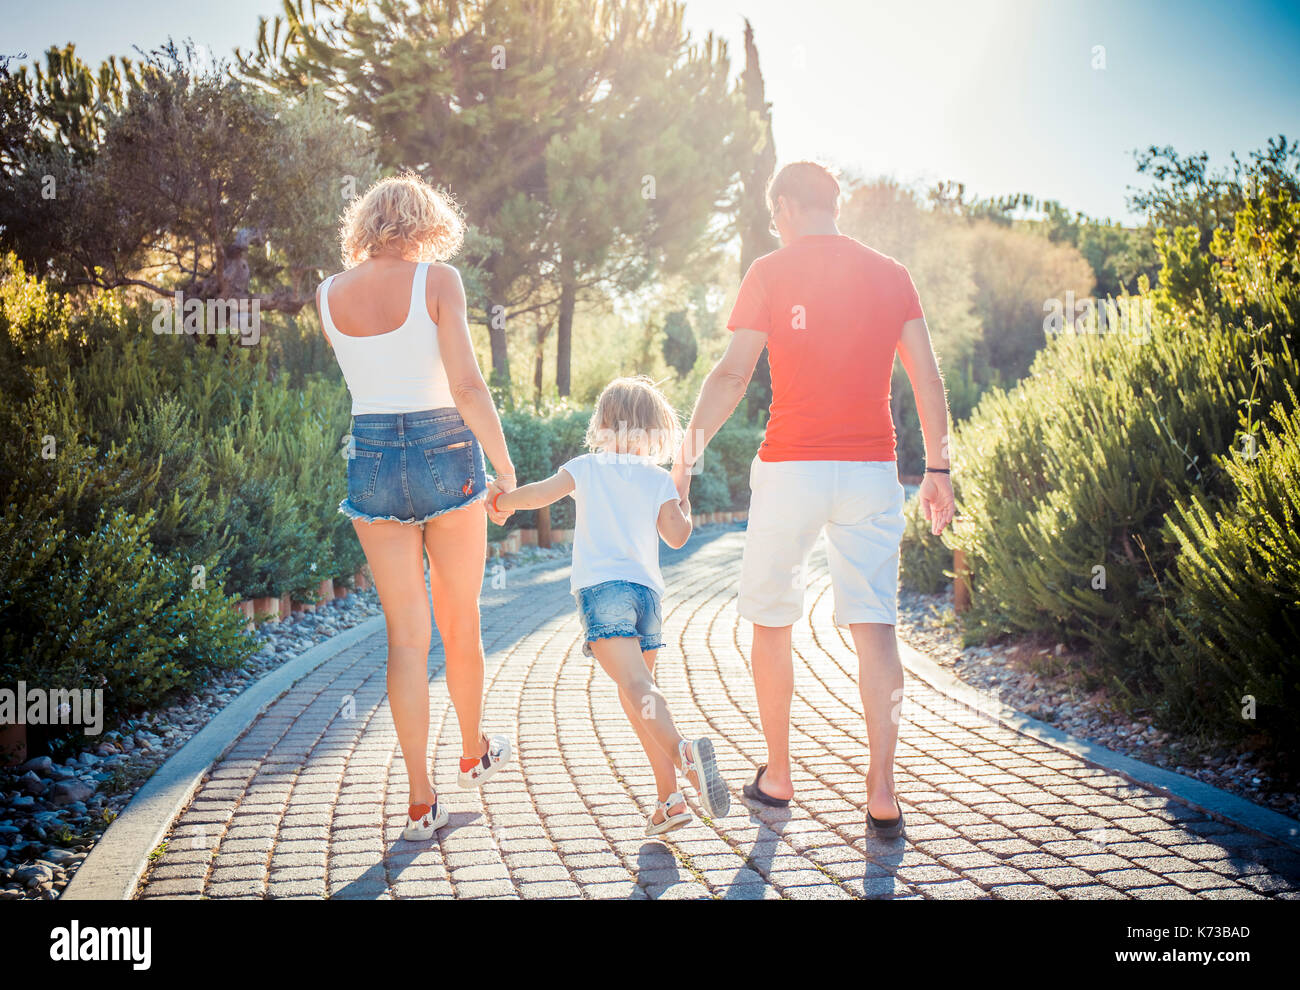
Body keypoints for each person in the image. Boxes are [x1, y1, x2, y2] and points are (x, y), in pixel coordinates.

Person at [672, 161, 957, 840]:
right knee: (875, 624)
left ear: (788, 208)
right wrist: (939, 467)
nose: (775, 225)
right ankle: (882, 789)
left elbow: (734, 371)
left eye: (775, 214)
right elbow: (928, 378)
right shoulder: (891, 274)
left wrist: (686, 454)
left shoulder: (770, 271)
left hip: (791, 467)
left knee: (772, 620)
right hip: (870, 470)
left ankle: (779, 775)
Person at [316, 172, 519, 841]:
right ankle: (471, 750)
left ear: (367, 223)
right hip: (445, 445)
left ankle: (417, 798)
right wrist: (506, 464)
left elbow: (370, 376)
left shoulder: (328, 294)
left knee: (406, 638)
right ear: (426, 223)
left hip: (370, 452)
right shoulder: (439, 281)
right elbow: (464, 381)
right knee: (460, 621)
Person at [490, 376, 731, 835]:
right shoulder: (658, 478)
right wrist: (682, 499)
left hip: (605, 593)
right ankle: (670, 801)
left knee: (638, 688)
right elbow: (677, 538)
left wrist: (502, 500)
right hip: (647, 597)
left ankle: (686, 757)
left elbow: (540, 492)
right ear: (658, 430)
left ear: (601, 422)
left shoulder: (587, 466)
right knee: (640, 693)